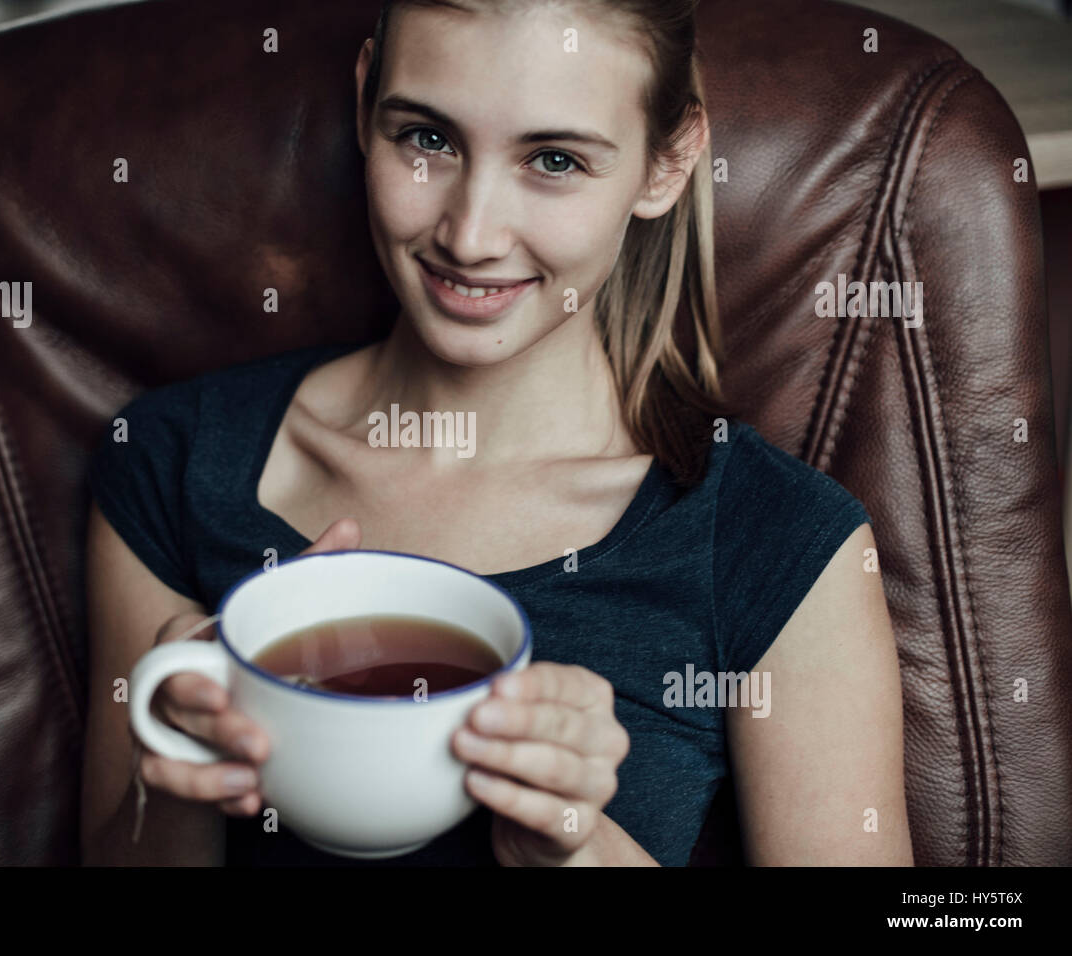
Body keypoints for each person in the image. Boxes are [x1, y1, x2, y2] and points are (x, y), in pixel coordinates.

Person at [80, 0, 914, 866]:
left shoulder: (779, 544)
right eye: (428, 139)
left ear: (665, 166)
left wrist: (576, 847)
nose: (469, 236)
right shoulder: (171, 459)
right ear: (367, 101)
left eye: (554, 160)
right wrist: (173, 772)